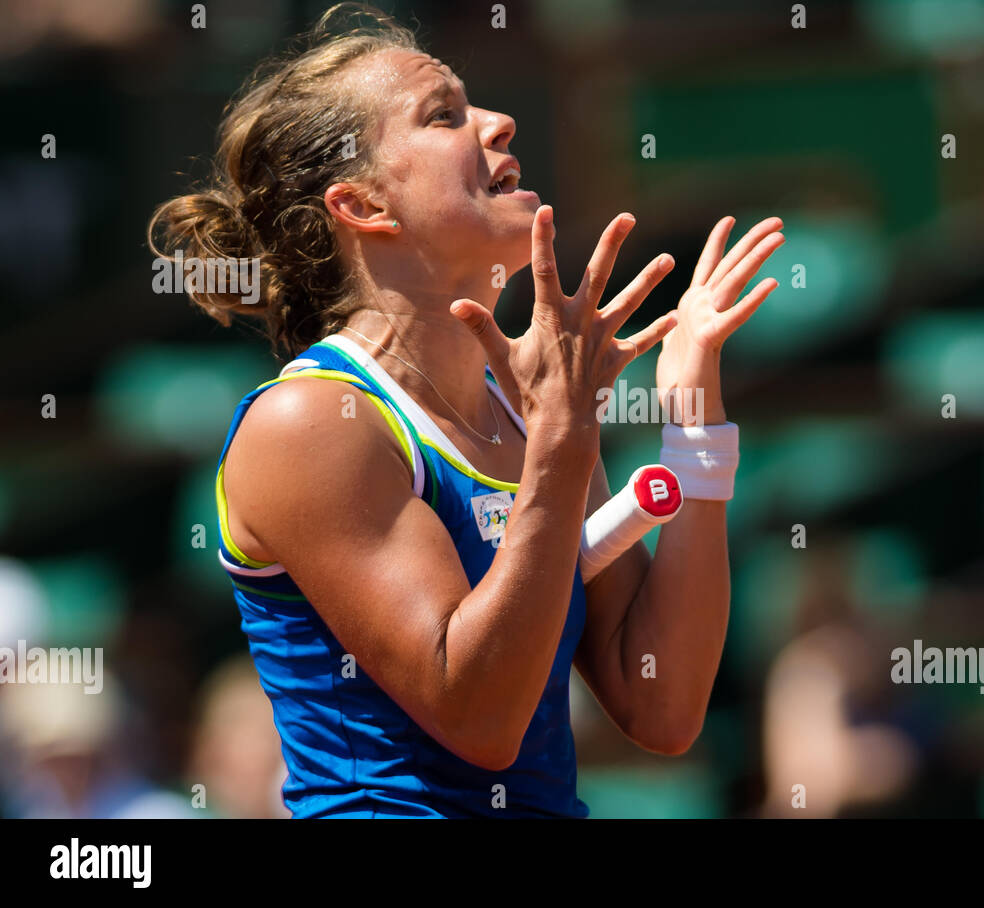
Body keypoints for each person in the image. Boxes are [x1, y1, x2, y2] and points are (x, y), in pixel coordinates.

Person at [148, 4, 782, 818]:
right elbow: (480, 718)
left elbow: (659, 703)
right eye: (444, 114)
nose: (500, 121)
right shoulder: (309, 424)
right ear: (364, 206)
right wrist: (560, 446)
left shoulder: (530, 413)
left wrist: (693, 425)